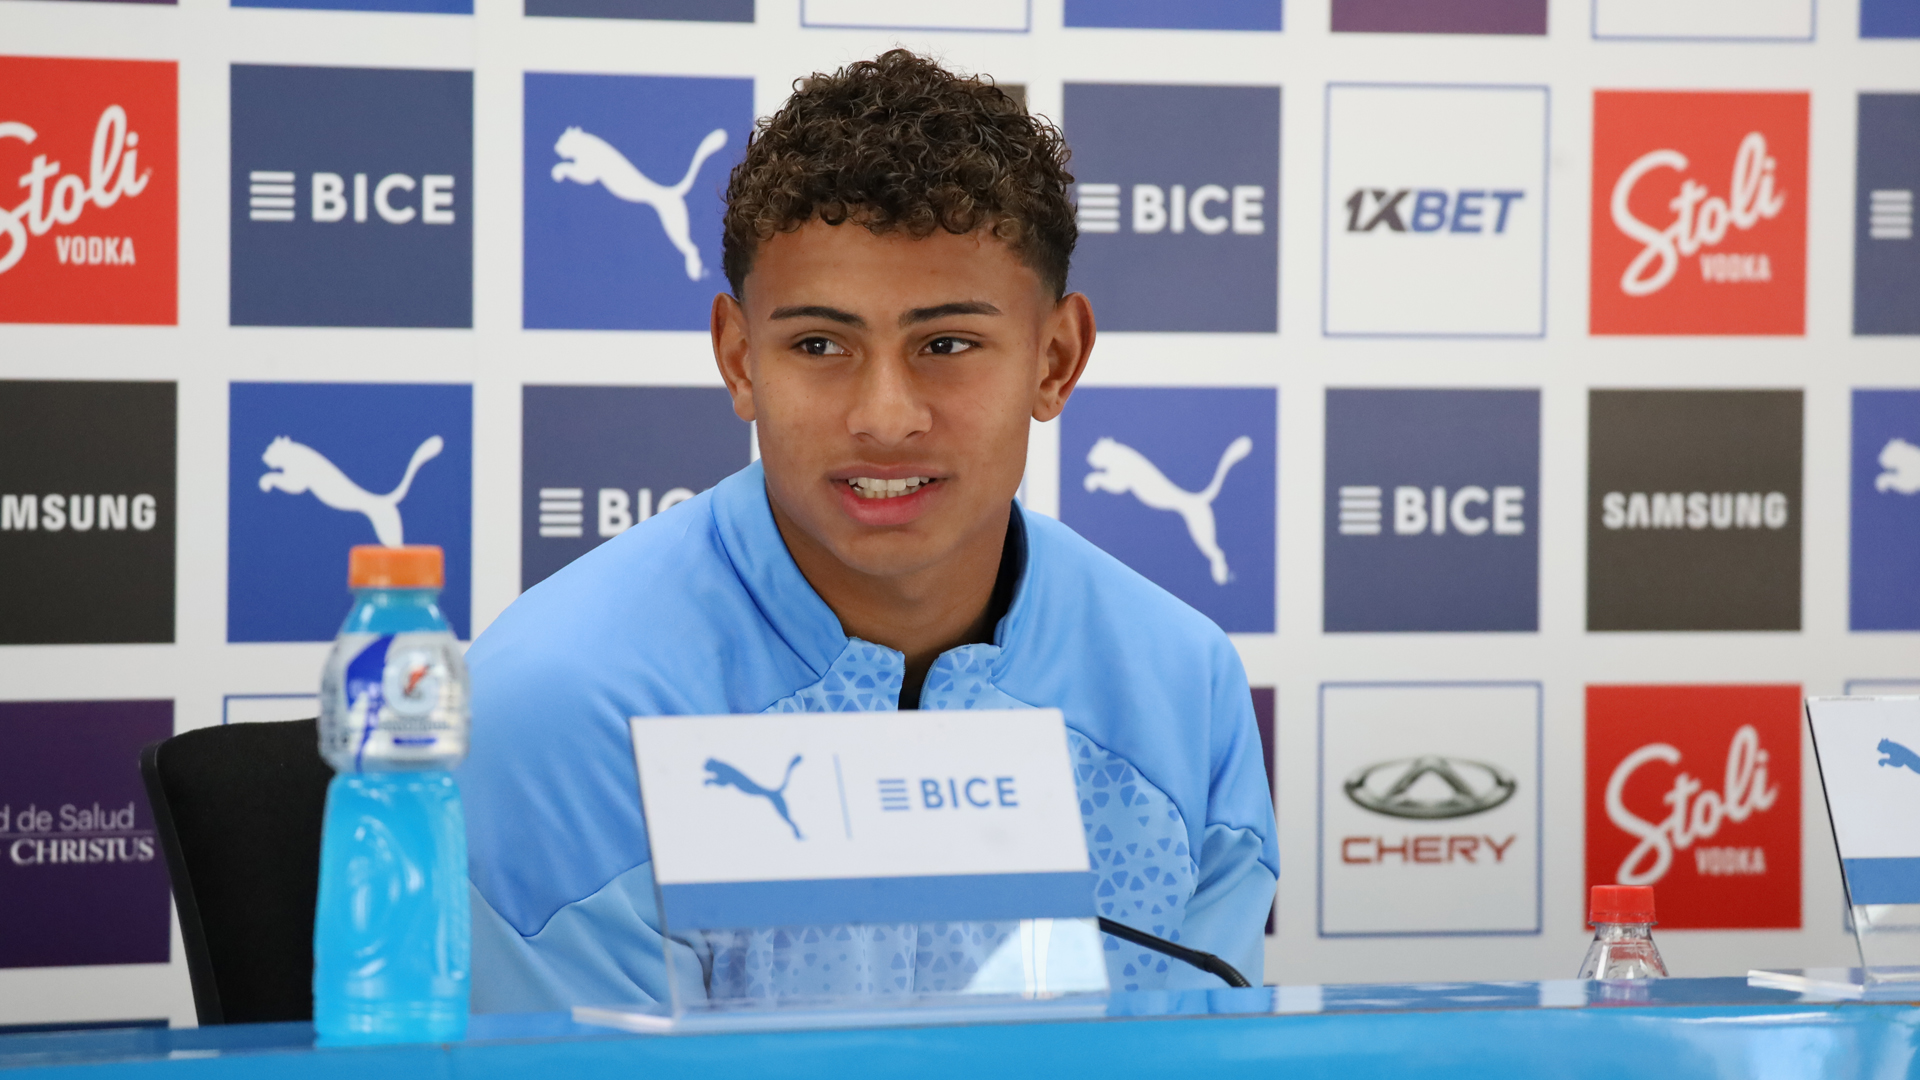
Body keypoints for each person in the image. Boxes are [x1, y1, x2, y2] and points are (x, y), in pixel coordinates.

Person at [460, 49, 1278, 1010]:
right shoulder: (561, 704)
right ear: (738, 359)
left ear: (1055, 361)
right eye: (819, 344)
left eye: (946, 345)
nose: (886, 416)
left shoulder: (1181, 686)